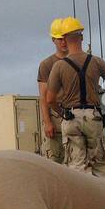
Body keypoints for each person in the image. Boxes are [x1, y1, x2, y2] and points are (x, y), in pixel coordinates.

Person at [43, 18, 105, 177]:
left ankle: (82, 200)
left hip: (71, 118)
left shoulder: (58, 66)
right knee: (101, 166)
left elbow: (49, 99)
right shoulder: (95, 61)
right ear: (81, 37)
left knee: (76, 168)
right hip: (93, 117)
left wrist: (63, 113)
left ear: (64, 39)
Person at [36, 17, 70, 164]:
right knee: (54, 163)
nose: (63, 42)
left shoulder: (80, 61)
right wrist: (47, 122)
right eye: (59, 39)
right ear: (53, 40)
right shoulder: (46, 65)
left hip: (75, 116)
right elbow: (43, 97)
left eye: (66, 38)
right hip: (56, 119)